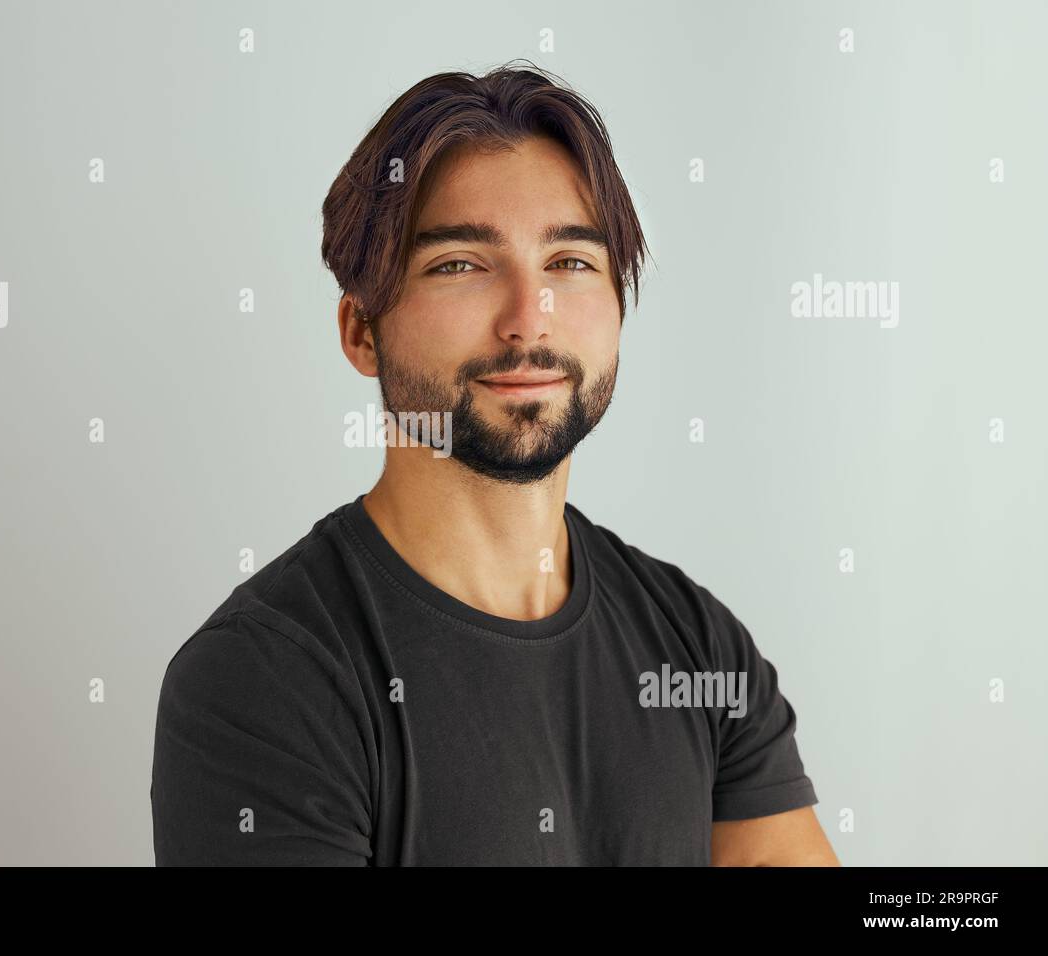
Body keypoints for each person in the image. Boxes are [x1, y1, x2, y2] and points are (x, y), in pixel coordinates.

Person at [151, 61, 839, 866]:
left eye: (570, 263)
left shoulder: (698, 650)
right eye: (461, 266)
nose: (528, 318)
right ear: (361, 331)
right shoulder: (265, 680)